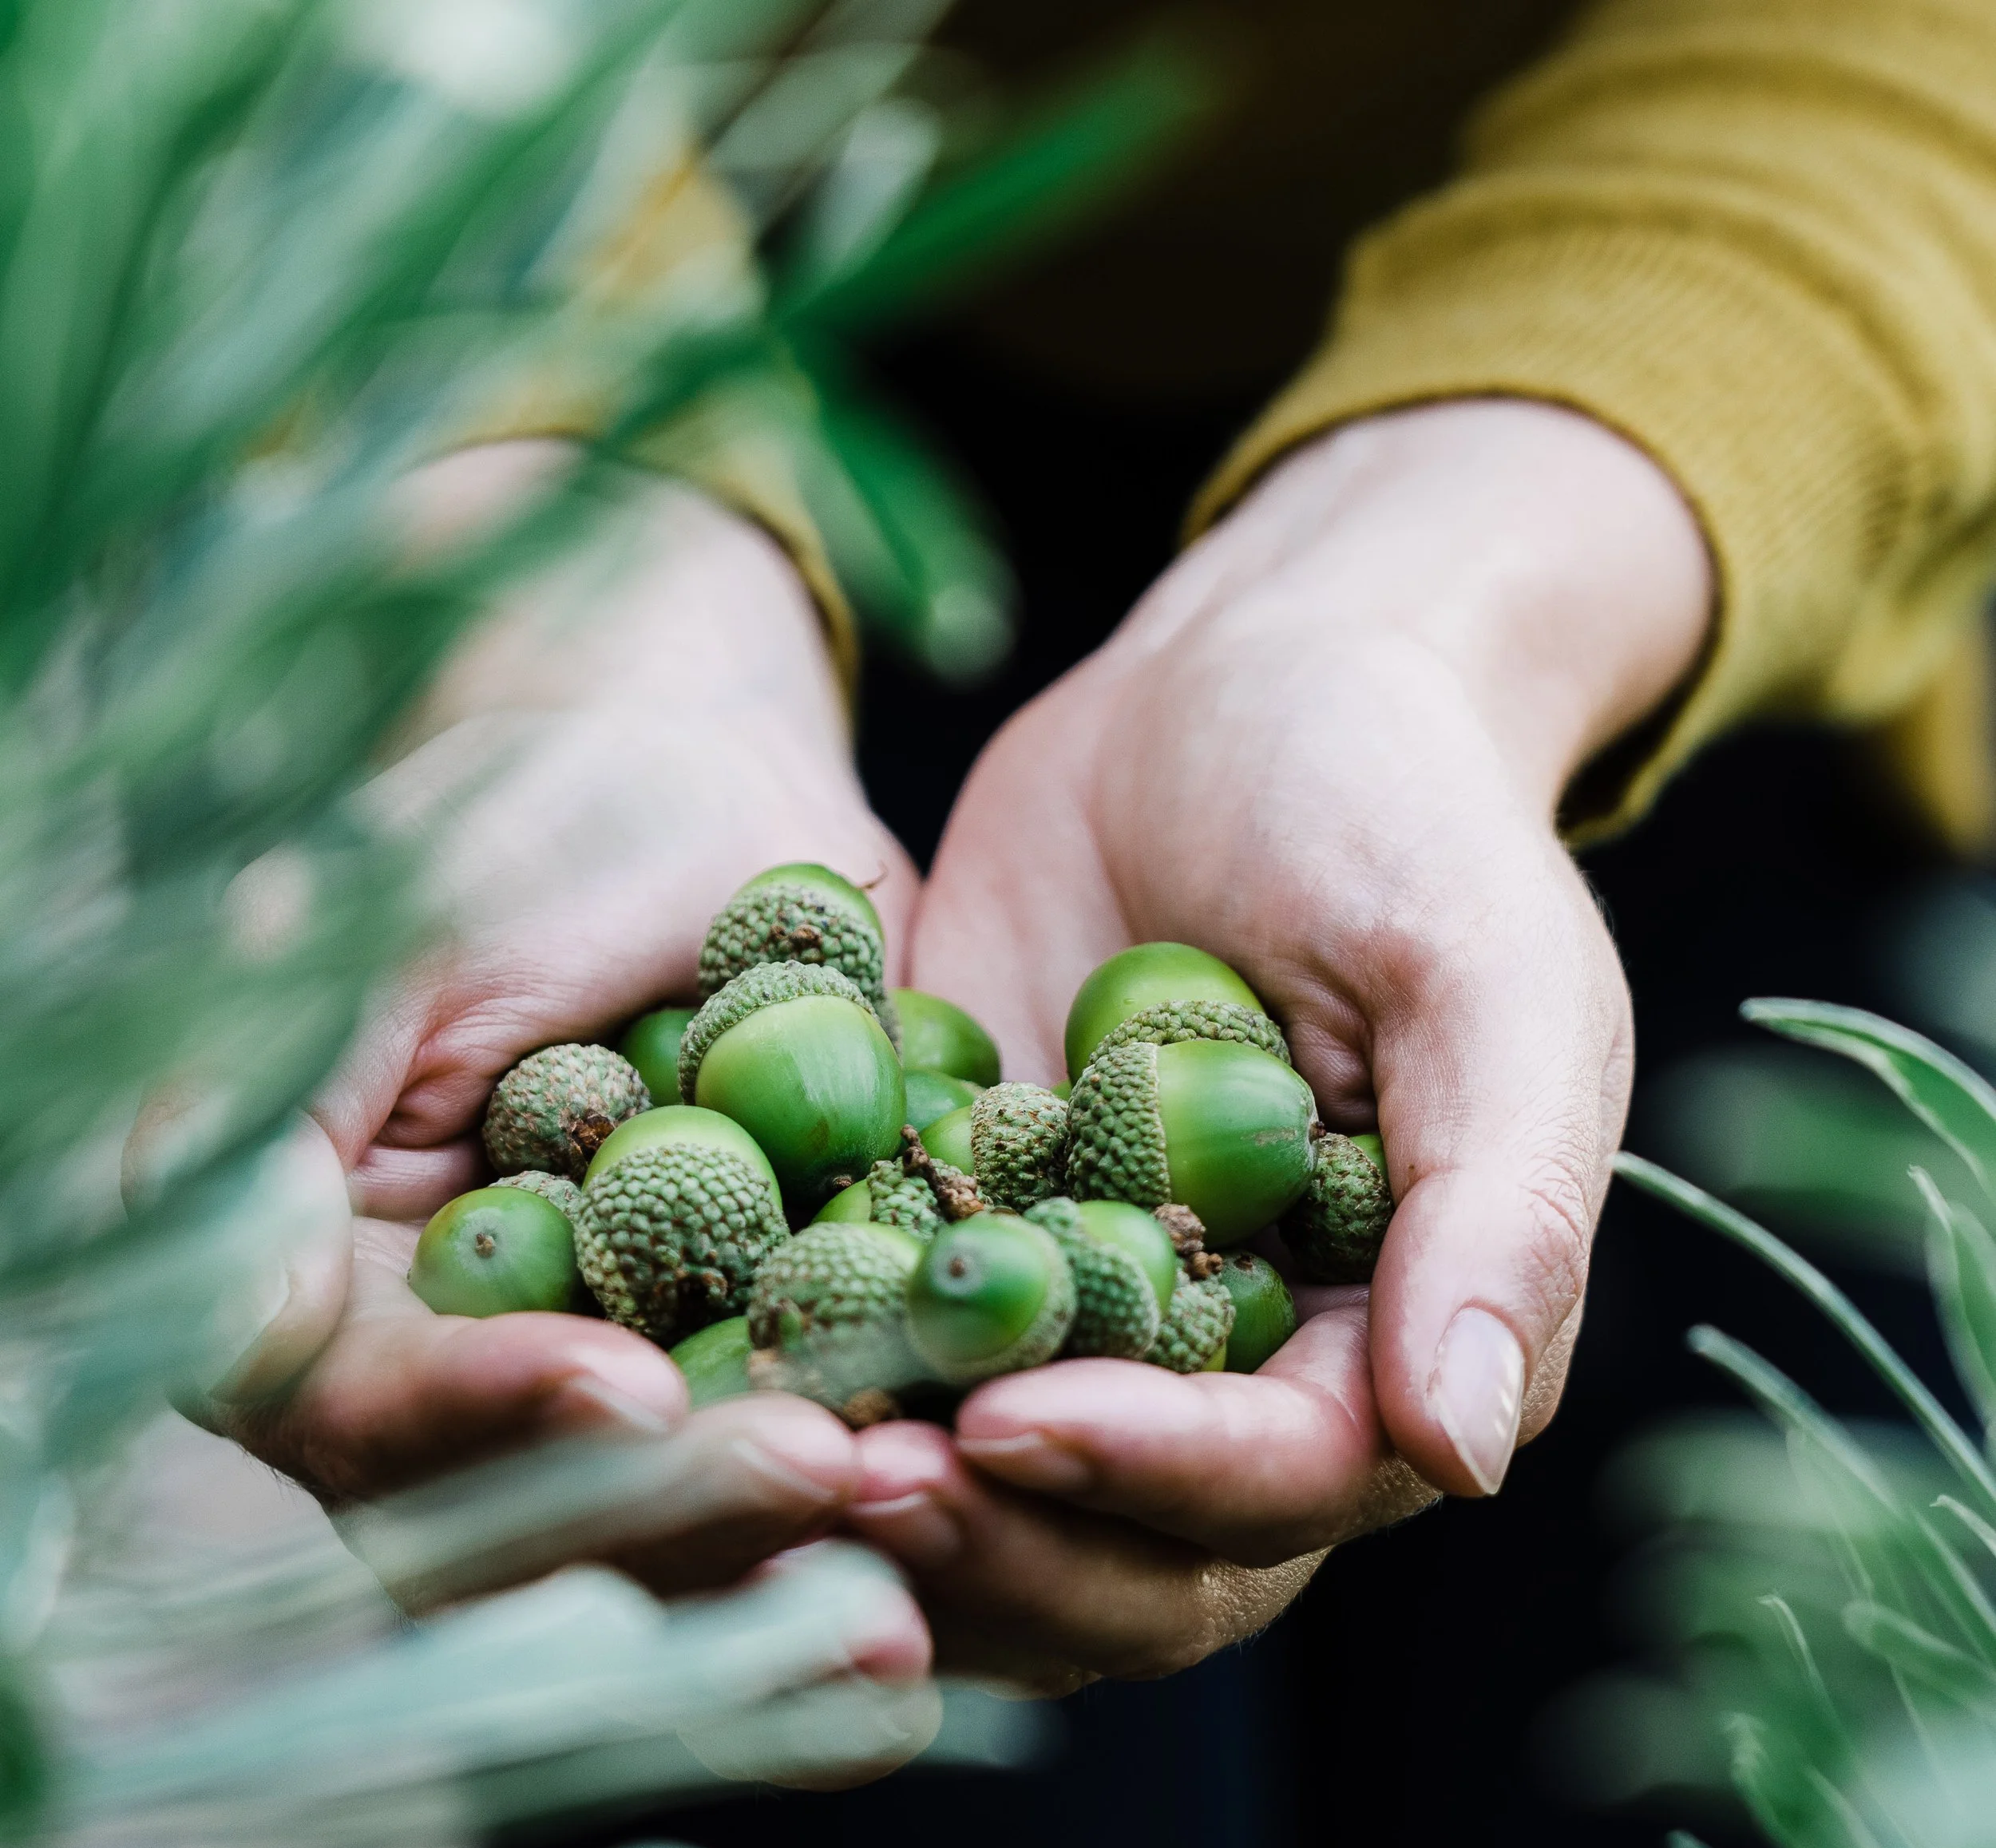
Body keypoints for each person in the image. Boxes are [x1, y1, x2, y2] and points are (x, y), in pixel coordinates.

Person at [212, 0, 1996, 1703]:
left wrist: (1433, 620)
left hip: (1662, 539)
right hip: (767, 331)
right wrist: (564, 607)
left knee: (1665, 1731)